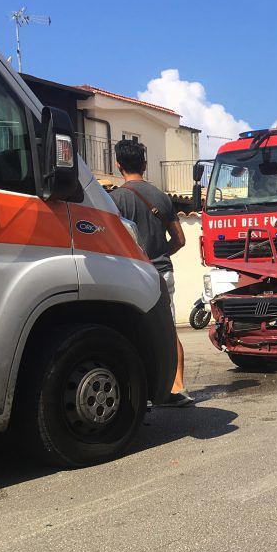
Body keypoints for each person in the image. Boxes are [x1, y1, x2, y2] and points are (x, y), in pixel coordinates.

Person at [110, 139, 191, 407]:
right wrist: (160, 253)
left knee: (129, 332)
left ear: (118, 164)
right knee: (168, 331)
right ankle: (176, 387)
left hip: (130, 275)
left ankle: (135, 391)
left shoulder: (114, 200)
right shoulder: (162, 197)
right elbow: (179, 239)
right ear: (145, 165)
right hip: (161, 272)